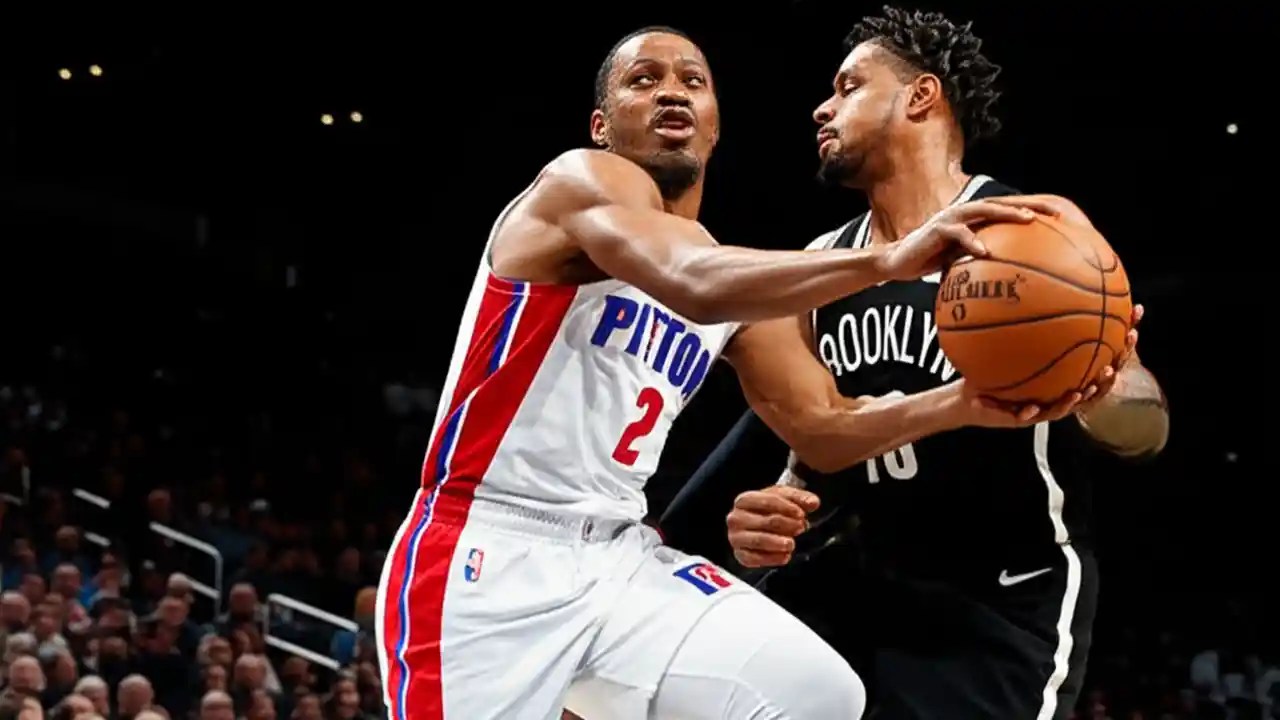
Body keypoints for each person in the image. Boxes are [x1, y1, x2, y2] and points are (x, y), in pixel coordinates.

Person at [373, 24, 1061, 720]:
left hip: (618, 560)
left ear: (715, 124)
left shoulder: (735, 283)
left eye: (693, 81)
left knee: (816, 694)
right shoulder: (579, 183)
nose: (672, 90)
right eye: (644, 80)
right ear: (601, 125)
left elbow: (825, 429)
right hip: (486, 553)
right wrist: (886, 260)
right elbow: (689, 278)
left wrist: (967, 402)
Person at [684, 7, 1170, 720]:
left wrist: (1102, 385)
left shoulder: (1030, 227)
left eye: (849, 87)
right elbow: (808, 447)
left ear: (921, 97)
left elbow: (1145, 427)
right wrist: (767, 516)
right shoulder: (820, 263)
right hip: (848, 581)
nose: (823, 106)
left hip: (997, 598)